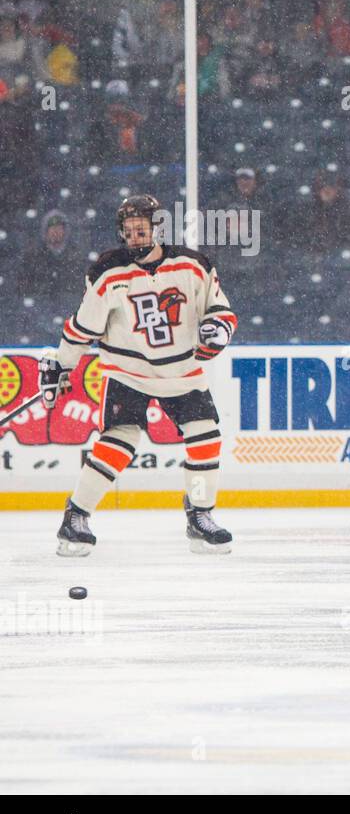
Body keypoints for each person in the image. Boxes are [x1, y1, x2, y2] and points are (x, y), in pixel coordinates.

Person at [40, 195, 238, 556]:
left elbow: (219, 309)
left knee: (205, 436)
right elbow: (83, 328)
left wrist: (217, 330)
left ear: (158, 229)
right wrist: (62, 364)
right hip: (128, 371)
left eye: (141, 230)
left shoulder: (192, 266)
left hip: (182, 372)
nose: (134, 237)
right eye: (128, 232)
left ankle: (200, 513)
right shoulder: (108, 271)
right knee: (120, 441)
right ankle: (76, 516)